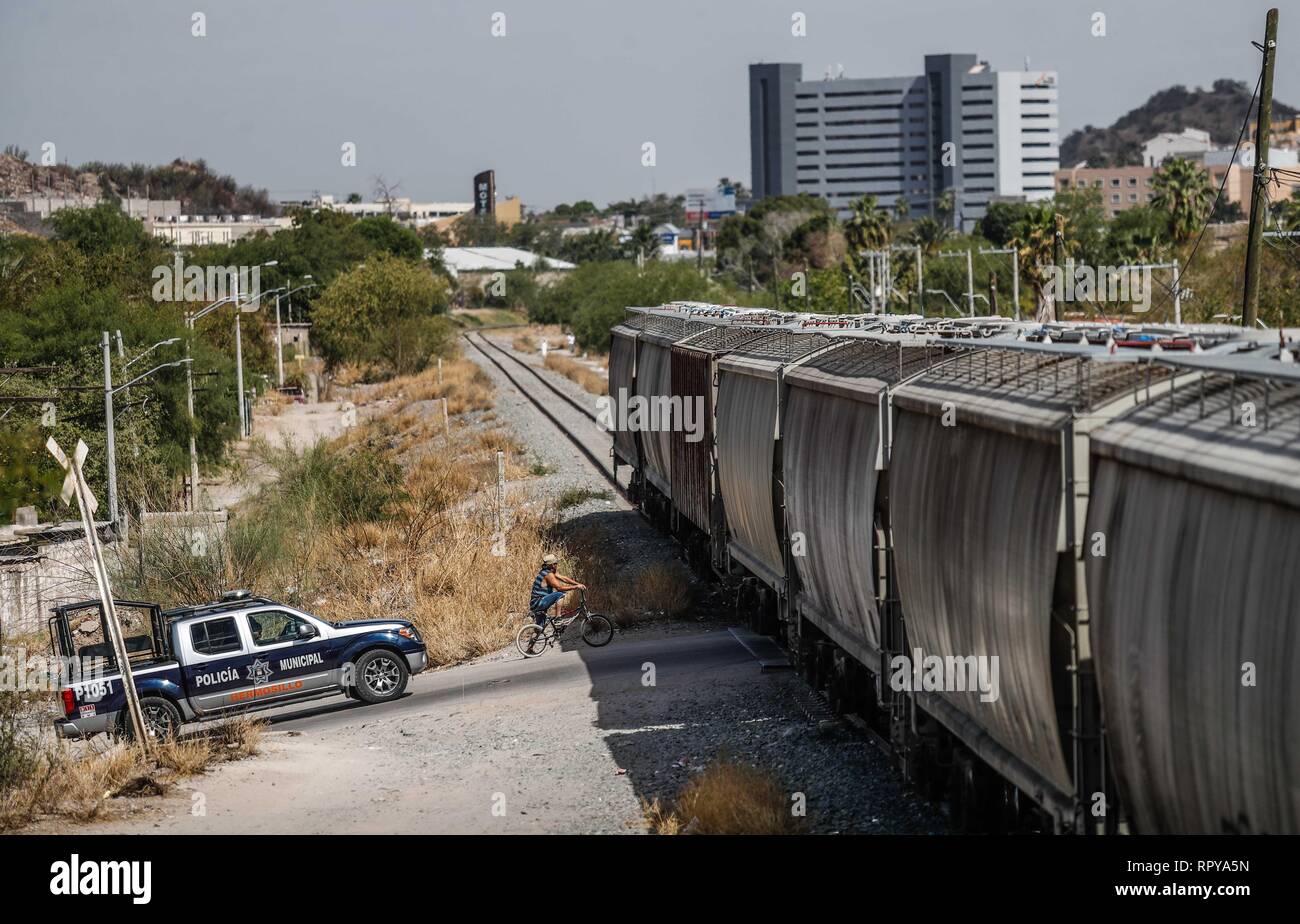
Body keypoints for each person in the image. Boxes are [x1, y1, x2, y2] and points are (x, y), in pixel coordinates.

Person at [530, 554, 585, 626]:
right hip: (539, 602)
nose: (557, 565)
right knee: (560, 593)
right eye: (556, 563)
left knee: (540, 627)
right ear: (552, 565)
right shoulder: (549, 575)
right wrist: (576, 587)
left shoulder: (547, 571)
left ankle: (536, 637)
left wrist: (578, 584)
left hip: (535, 603)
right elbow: (559, 588)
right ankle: (558, 619)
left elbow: (564, 578)